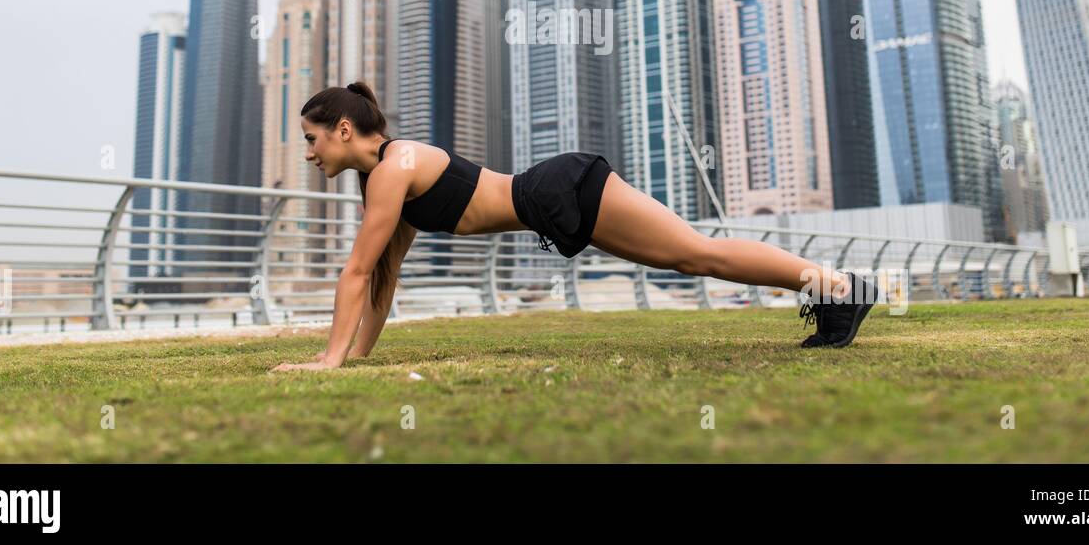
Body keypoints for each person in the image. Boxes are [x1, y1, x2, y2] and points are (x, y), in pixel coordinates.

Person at [270, 82, 877, 371]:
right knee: (696, 256)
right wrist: (353, 358)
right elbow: (381, 277)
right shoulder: (390, 176)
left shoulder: (392, 171)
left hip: (558, 190)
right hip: (554, 200)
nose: (309, 153)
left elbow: (354, 271)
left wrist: (326, 361)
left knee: (698, 254)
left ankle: (840, 289)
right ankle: (835, 292)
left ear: (343, 130)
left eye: (312, 139)